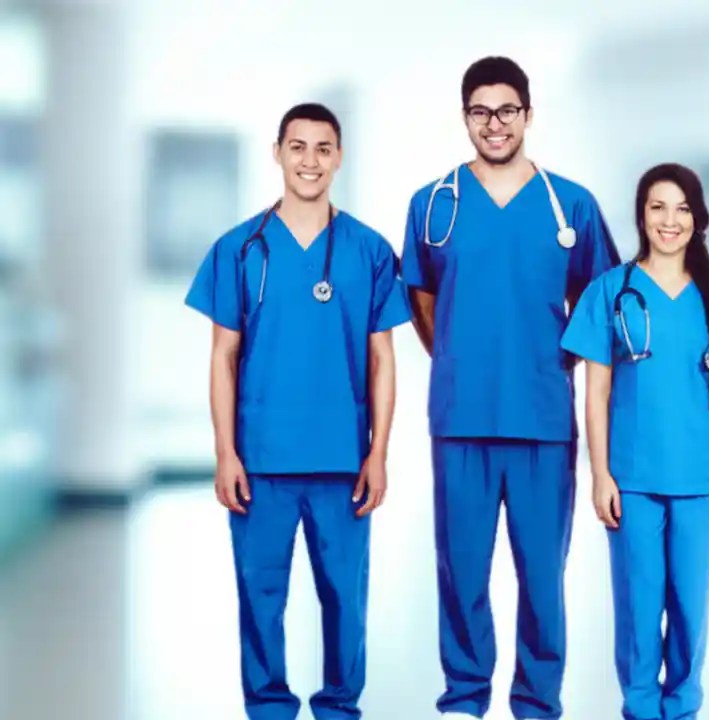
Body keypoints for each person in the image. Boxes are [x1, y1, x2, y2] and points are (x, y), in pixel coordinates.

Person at [399, 56, 621, 720]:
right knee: (461, 572)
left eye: (506, 110)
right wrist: (464, 357)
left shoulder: (570, 203)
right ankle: (465, 700)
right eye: (480, 111)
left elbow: (598, 297)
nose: (493, 124)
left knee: (542, 579)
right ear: (464, 116)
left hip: (543, 420)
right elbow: (421, 295)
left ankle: (536, 702)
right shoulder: (435, 204)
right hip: (462, 416)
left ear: (527, 113)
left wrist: (548, 357)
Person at [185, 102, 411, 720]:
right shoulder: (239, 250)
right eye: (298, 147)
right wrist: (226, 452)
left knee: (345, 599)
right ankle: (268, 708)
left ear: (338, 157)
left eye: (323, 148)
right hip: (261, 461)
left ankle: (340, 708)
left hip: (342, 461)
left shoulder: (367, 250)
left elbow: (383, 359)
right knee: (260, 598)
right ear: (278, 153)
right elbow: (222, 357)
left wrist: (379, 453)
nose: (310, 160)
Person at [561, 163, 709, 720]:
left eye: (681, 208)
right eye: (657, 207)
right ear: (641, 215)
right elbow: (596, 390)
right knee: (637, 606)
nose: (669, 220)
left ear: (698, 219)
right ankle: (639, 707)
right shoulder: (613, 290)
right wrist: (601, 474)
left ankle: (681, 709)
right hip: (633, 481)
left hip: (702, 480)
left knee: (689, 610)